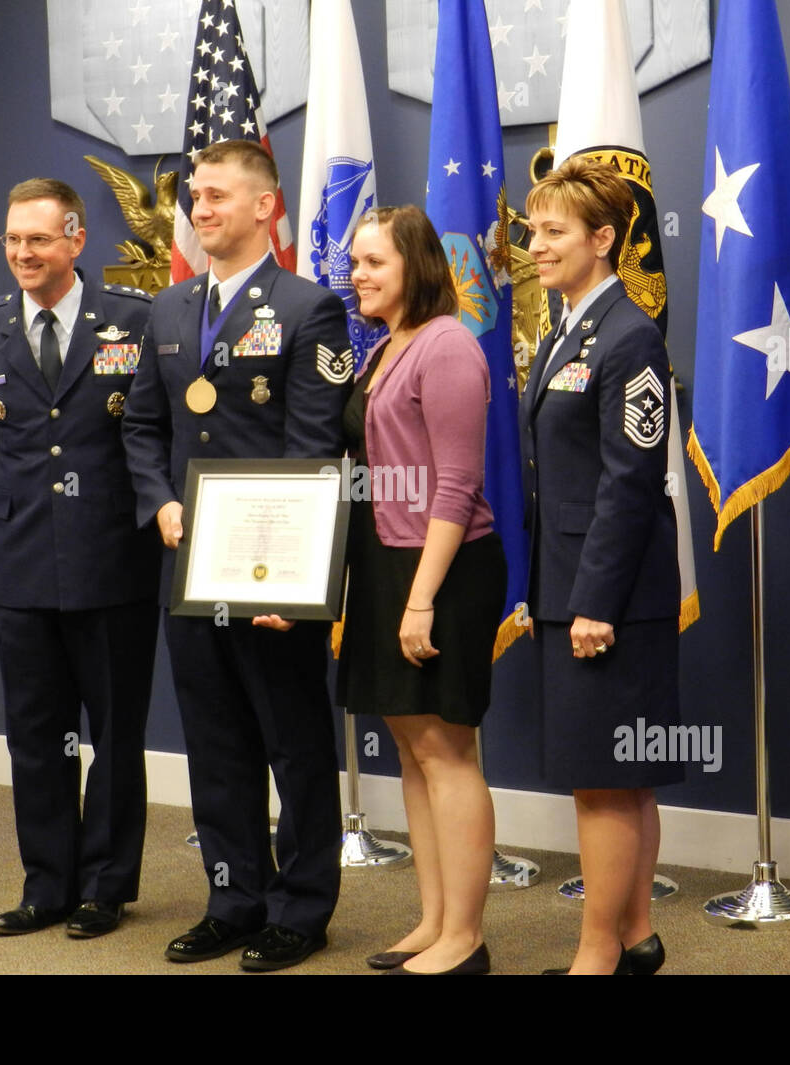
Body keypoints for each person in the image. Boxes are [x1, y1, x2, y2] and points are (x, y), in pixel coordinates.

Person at [122, 139, 352, 971]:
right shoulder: (170, 309)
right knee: (214, 743)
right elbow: (143, 426)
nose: (201, 209)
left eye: (218, 195)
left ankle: (301, 907)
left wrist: (288, 577)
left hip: (272, 571)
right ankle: (233, 897)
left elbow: (313, 447)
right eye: (195, 199)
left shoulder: (308, 307)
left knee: (292, 742)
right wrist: (161, 502)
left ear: (266, 206)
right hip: (190, 564)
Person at [0, 178, 160, 939]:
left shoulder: (133, 323)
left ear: (75, 239)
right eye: (11, 240)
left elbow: (152, 440)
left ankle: (106, 886)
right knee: (34, 734)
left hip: (112, 563)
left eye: (37, 239)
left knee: (114, 734)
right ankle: (48, 885)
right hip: (20, 564)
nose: (22, 254)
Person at [520, 157, 681, 975]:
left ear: (603, 238)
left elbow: (631, 478)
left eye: (554, 232)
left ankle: (595, 955)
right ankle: (635, 934)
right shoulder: (568, 328)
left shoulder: (630, 334)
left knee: (604, 781)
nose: (536, 245)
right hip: (573, 587)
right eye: (533, 230)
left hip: (609, 597)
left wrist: (595, 603)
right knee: (624, 779)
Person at [339, 206, 505, 975]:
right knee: (410, 749)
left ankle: (466, 938)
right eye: (354, 262)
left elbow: (458, 483)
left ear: (416, 264)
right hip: (386, 563)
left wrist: (420, 598)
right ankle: (434, 919)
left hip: (441, 569)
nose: (358, 274)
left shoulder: (447, 345)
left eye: (373, 261)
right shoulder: (384, 345)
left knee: (445, 749)